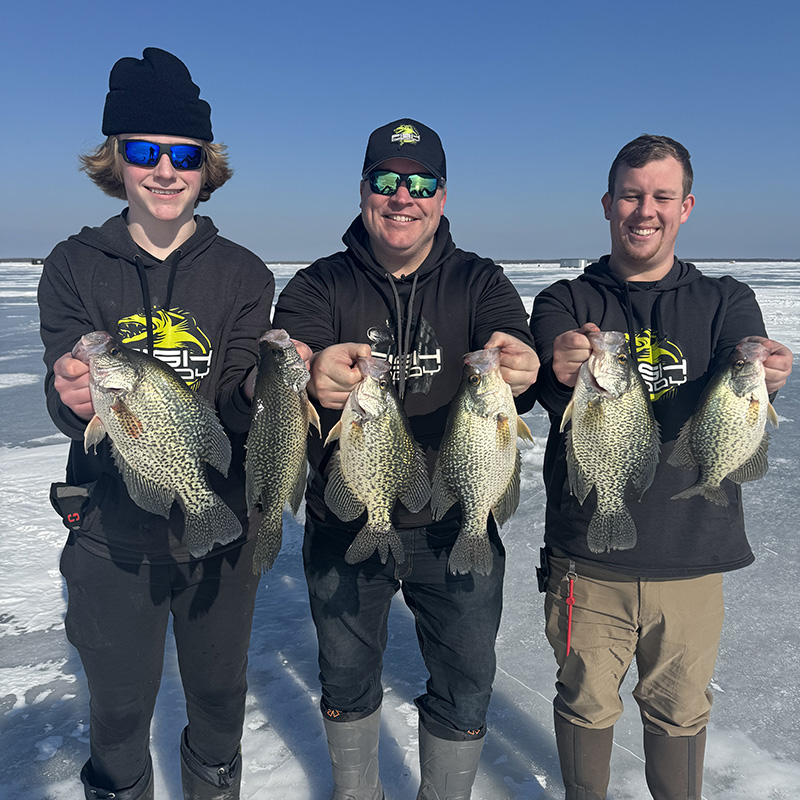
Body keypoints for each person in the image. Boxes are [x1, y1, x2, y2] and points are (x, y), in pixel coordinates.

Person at [272, 118, 539, 800]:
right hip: (349, 517)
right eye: (386, 181)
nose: (403, 197)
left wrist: (518, 364)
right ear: (364, 190)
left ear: (442, 197)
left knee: (466, 678)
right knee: (346, 676)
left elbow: (512, 342)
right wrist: (310, 369)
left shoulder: (480, 281)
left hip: (455, 518)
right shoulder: (316, 285)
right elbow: (291, 356)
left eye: (421, 184)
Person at [38, 48, 275, 800]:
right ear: (117, 159)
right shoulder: (73, 265)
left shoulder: (244, 273)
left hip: (217, 526)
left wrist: (273, 386)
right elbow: (67, 397)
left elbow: (235, 410)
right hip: (110, 535)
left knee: (216, 702)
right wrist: (71, 393)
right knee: (116, 713)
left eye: (184, 154)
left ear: (207, 167)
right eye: (145, 151)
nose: (165, 170)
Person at [529, 134, 793, 799]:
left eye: (661, 197)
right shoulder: (564, 298)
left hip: (693, 555)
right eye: (630, 195)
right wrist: (565, 358)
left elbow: (744, 355)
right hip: (587, 562)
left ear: (686, 207)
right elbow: (556, 360)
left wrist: (761, 369)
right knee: (585, 702)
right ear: (608, 203)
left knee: (679, 712)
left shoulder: (725, 298)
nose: (644, 210)